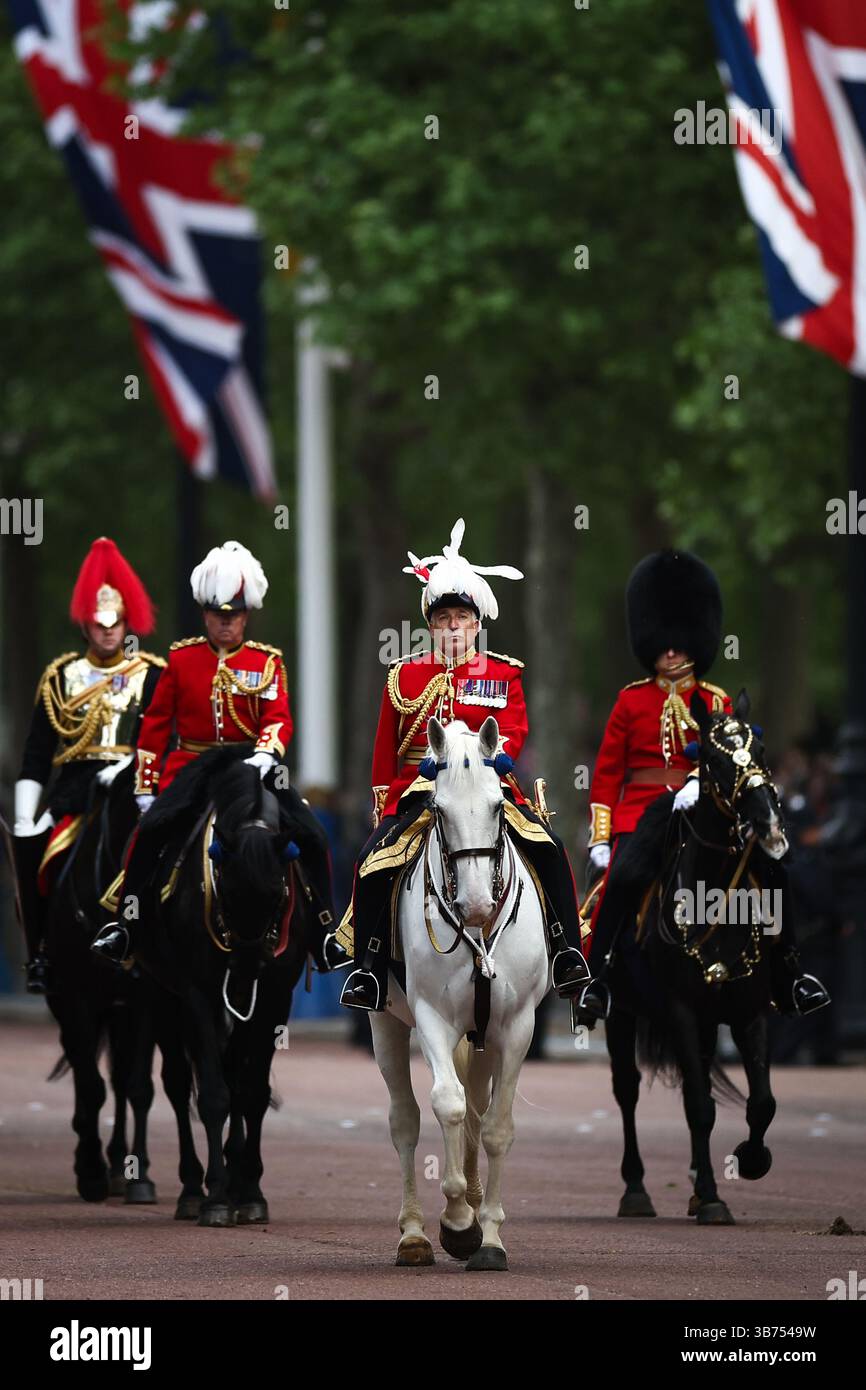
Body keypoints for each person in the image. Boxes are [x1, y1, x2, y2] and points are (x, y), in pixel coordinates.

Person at [339, 518, 590, 1013]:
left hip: (488, 788)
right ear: (431, 625)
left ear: (477, 623)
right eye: (443, 618)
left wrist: (493, 758)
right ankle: (366, 968)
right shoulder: (404, 674)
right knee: (372, 864)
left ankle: (566, 952)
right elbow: (384, 748)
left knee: (551, 850)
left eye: (462, 618)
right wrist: (384, 802)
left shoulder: (503, 673)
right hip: (418, 790)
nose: (453, 626)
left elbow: (514, 728)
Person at [577, 549, 830, 1023]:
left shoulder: (715, 700)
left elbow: (734, 760)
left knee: (773, 870)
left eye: (680, 640)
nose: (671, 649)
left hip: (706, 810)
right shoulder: (630, 702)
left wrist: (699, 784)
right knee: (623, 881)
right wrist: (601, 839)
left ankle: (789, 974)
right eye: (663, 641)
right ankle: (598, 979)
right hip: (641, 813)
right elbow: (608, 775)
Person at [90, 540, 339, 968]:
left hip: (253, 767)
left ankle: (324, 930)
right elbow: (154, 727)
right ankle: (126, 926)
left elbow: (279, 717)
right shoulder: (182, 659)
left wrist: (266, 751)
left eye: (234, 615)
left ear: (246, 616)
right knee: (150, 831)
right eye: (217, 615)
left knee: (312, 835)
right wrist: (147, 786)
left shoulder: (268, 663)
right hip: (193, 766)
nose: (226, 624)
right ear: (205, 615)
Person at [13, 538, 164, 992]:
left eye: (116, 623)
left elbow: (159, 740)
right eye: (99, 625)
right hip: (74, 794)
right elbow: (38, 754)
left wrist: (130, 771)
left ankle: (159, 948)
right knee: (37, 853)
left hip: (133, 788)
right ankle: (39, 951)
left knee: (165, 857)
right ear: (86, 625)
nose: (108, 632)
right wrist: (25, 814)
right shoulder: (60, 677)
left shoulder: (151, 673)